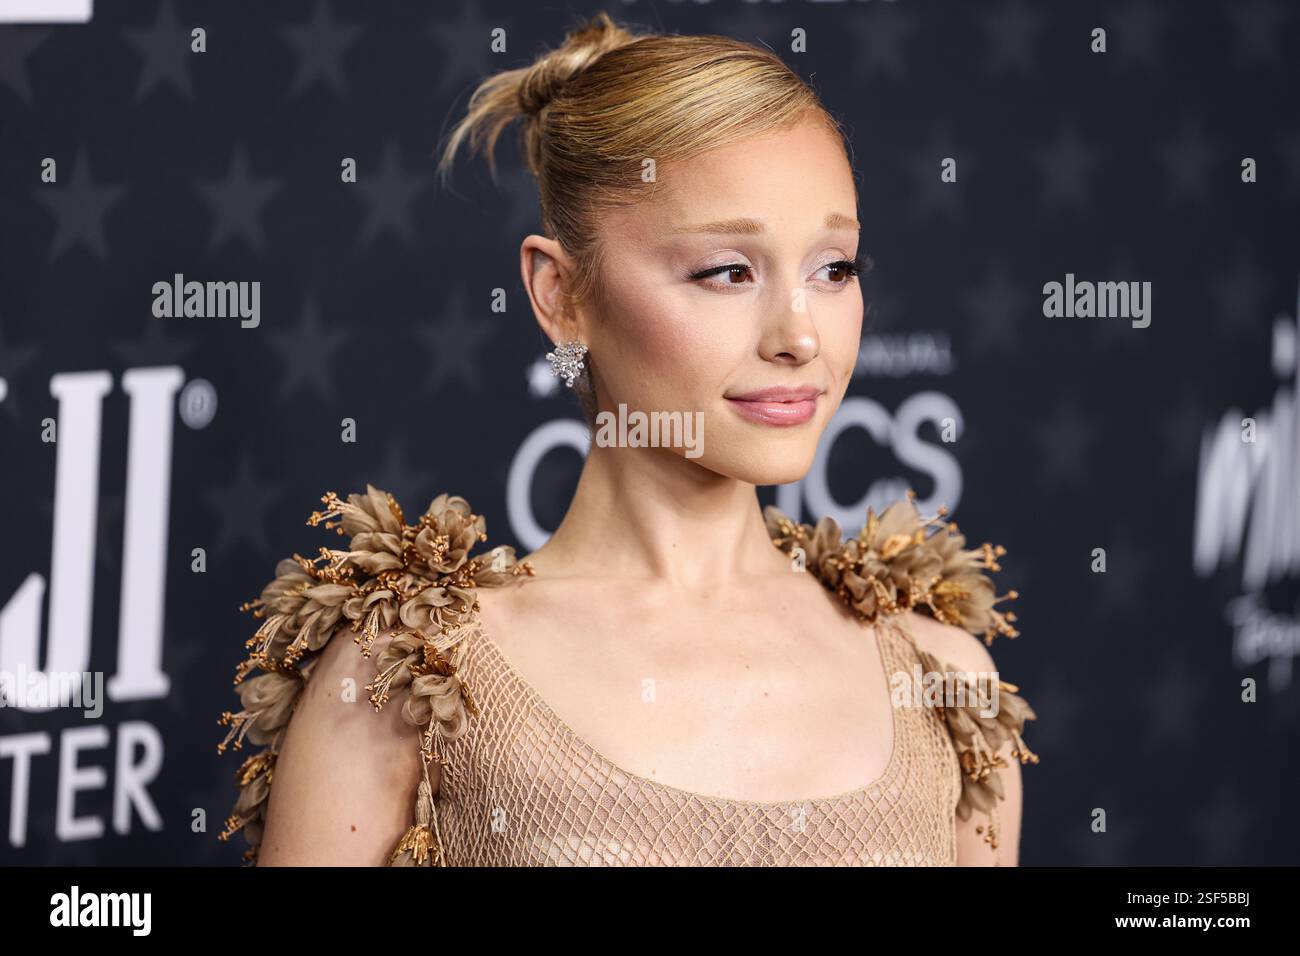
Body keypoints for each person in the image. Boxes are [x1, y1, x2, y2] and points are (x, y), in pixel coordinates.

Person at [216, 12, 1037, 867]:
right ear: (561, 295)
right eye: (727, 271)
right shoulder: (407, 676)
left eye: (834, 268)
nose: (800, 336)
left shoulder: (944, 680)